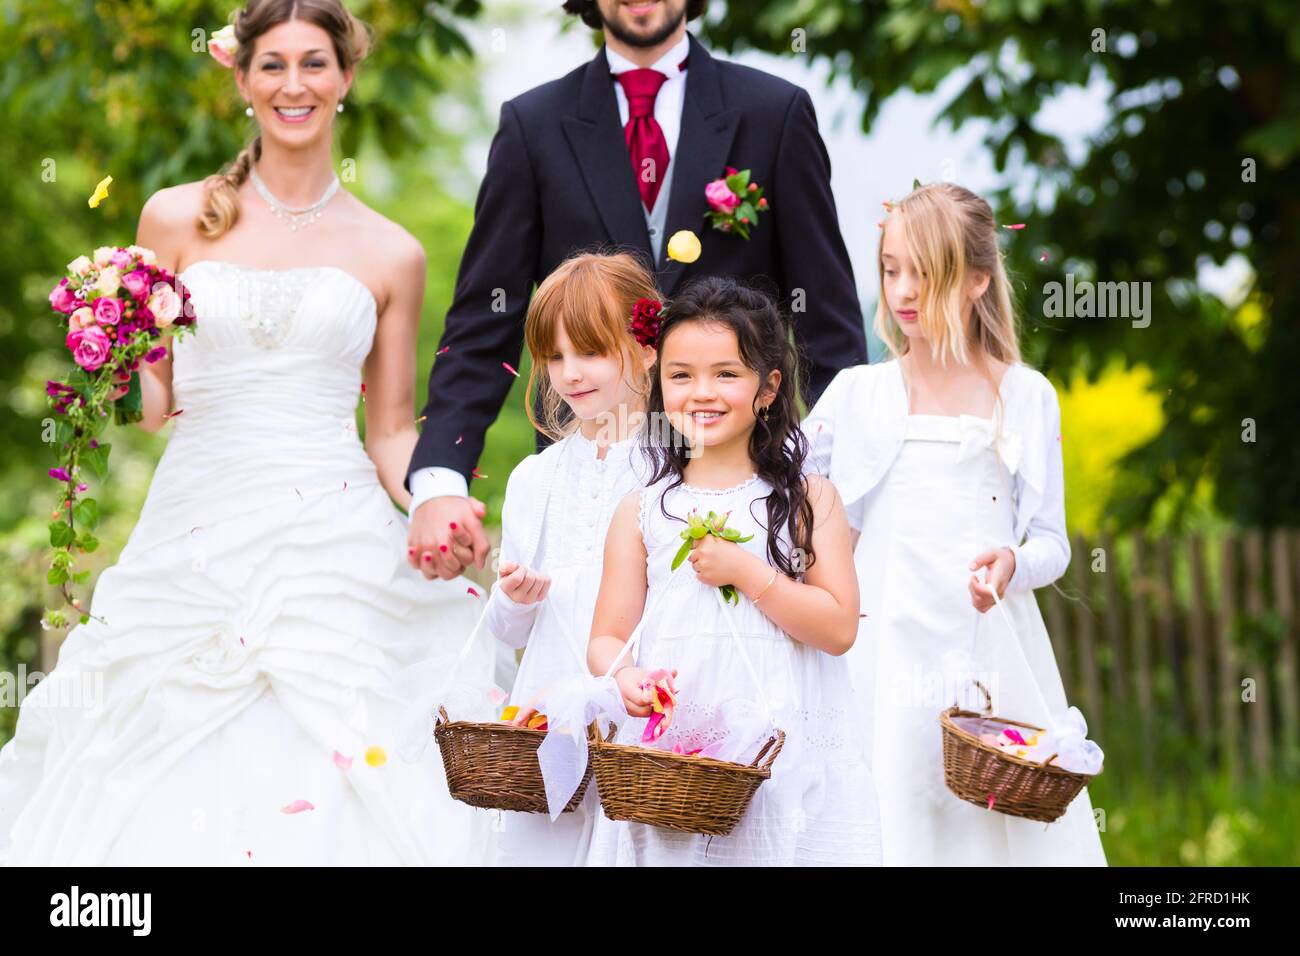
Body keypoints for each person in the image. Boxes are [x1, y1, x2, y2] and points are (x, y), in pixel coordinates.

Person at [0, 0, 495, 866]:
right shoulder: (171, 217)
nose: (293, 84)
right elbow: (156, 409)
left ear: (346, 79)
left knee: (345, 739)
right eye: (273, 65)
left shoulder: (392, 253)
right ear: (240, 78)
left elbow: (387, 431)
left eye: (314, 64)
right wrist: (114, 353)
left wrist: (436, 501)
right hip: (196, 522)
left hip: (332, 527)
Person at [404, 0, 868, 586]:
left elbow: (826, 320)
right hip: (585, 490)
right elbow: (482, 322)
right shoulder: (533, 126)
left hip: (741, 485)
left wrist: (829, 485)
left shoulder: (773, 114)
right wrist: (440, 479)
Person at [802, 182, 1107, 865]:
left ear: (975, 280)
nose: (903, 290)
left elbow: (1052, 543)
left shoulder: (1023, 395)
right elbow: (799, 511)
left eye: (924, 272)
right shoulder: (857, 394)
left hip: (986, 648)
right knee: (889, 807)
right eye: (890, 269)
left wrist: (1012, 563)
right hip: (879, 650)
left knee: (984, 827)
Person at [585, 276, 881, 865]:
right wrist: (623, 679)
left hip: (782, 744)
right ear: (658, 385)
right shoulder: (643, 509)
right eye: (681, 375)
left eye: (726, 374)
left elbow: (839, 627)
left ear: (768, 388)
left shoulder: (808, 500)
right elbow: (608, 637)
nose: (702, 392)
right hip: (678, 757)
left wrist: (750, 572)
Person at [486, 251, 659, 865]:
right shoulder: (535, 478)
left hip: (644, 716)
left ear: (646, 346)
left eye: (589, 351)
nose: (570, 373)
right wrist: (513, 597)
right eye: (554, 357)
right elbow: (508, 635)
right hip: (549, 713)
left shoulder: (676, 469)